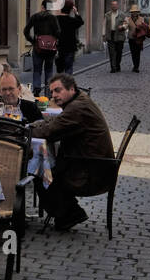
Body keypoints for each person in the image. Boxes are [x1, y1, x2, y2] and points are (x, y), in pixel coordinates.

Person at [26, 73, 114, 232]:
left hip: (91, 172)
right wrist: (35, 126)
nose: (53, 96)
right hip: (93, 163)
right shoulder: (79, 101)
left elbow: (50, 132)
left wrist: (24, 131)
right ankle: (68, 211)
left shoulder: (77, 108)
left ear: (71, 89)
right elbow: (55, 124)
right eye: (52, 92)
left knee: (41, 173)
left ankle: (69, 214)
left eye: (57, 91)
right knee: (47, 168)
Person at [23, 0, 61, 96]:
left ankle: (36, 90)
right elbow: (58, 32)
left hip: (38, 47)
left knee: (37, 70)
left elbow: (26, 30)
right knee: (48, 70)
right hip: (50, 49)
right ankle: (48, 93)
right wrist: (54, 41)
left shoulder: (35, 17)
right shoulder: (53, 18)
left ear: (42, 7)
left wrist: (32, 40)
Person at [54, 0, 84, 75]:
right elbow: (81, 22)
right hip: (70, 47)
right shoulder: (72, 21)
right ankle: (68, 85)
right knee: (69, 68)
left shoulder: (56, 19)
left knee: (60, 69)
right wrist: (76, 12)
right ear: (71, 10)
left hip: (59, 47)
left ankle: (60, 84)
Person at [125, 4, 150, 72]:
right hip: (131, 38)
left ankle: (136, 67)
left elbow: (145, 27)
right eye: (133, 12)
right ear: (131, 12)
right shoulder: (128, 19)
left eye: (136, 12)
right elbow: (125, 26)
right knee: (133, 53)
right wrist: (123, 27)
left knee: (137, 53)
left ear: (138, 12)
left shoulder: (141, 19)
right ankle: (134, 65)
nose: (134, 13)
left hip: (139, 38)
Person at [102, 0, 126, 73]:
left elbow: (126, 23)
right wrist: (103, 35)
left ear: (117, 6)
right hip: (110, 34)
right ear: (111, 6)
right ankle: (113, 67)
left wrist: (122, 26)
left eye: (115, 5)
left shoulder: (122, 14)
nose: (114, 6)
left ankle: (117, 65)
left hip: (119, 35)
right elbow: (104, 25)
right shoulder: (107, 15)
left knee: (119, 52)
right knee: (111, 52)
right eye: (113, 5)